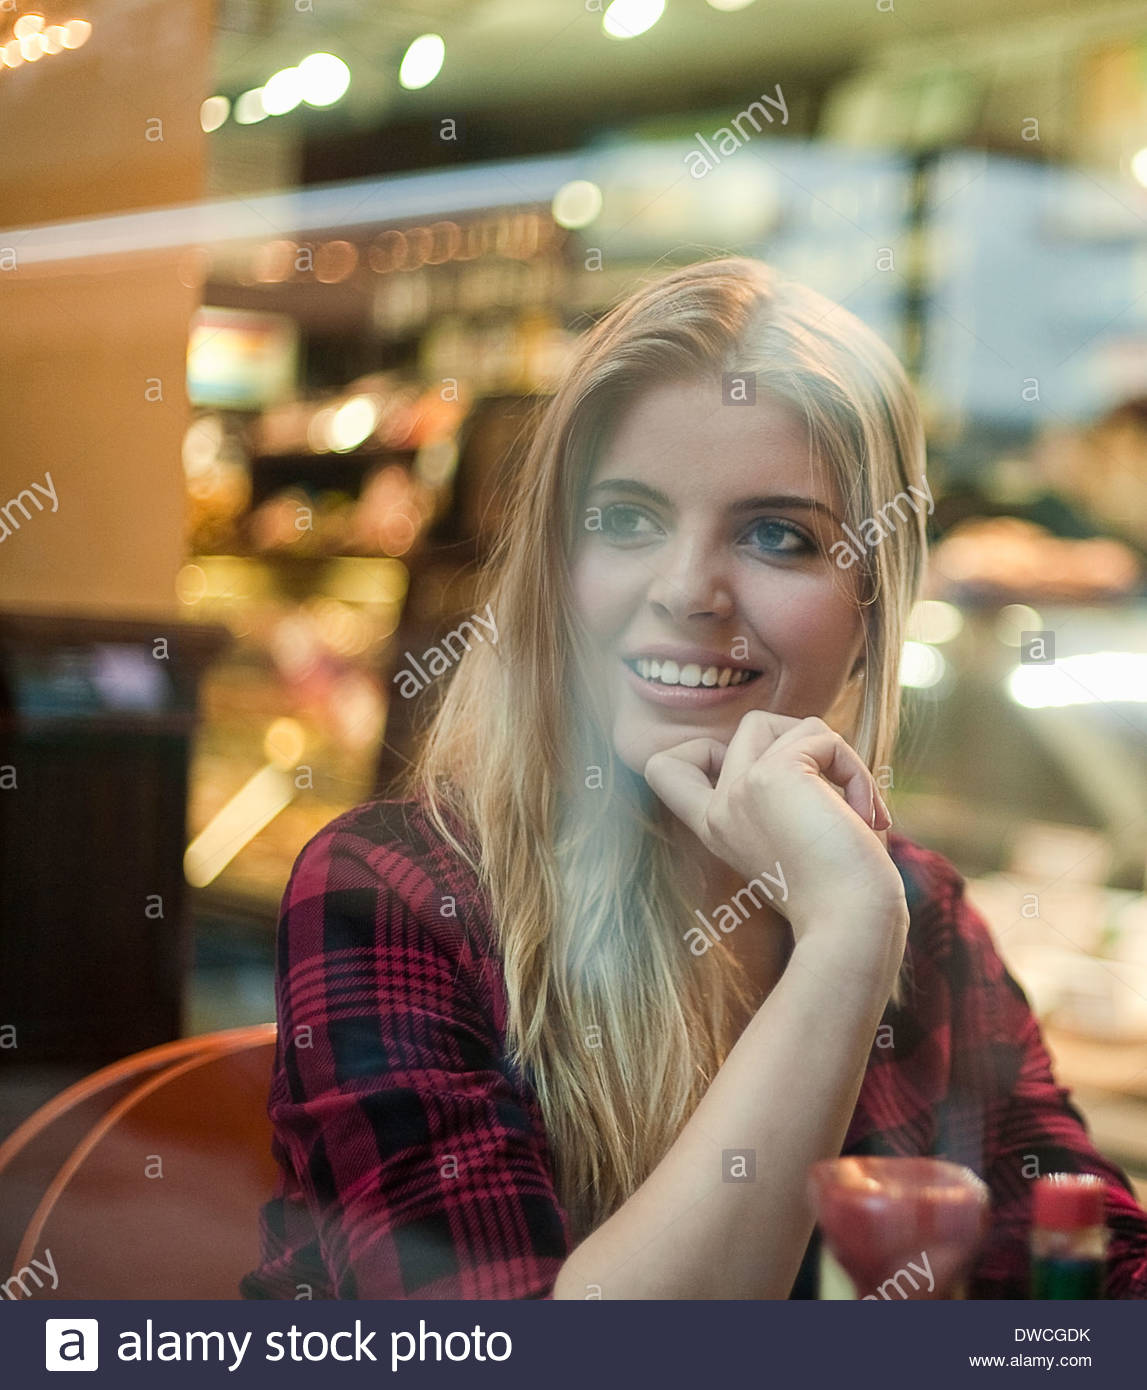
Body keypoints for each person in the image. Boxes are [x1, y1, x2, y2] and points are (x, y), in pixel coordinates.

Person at [240, 258, 1147, 1300]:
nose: (687, 591)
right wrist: (842, 950)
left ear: (869, 611)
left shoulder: (922, 909)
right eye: (625, 519)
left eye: (776, 534)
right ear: (552, 572)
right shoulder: (392, 894)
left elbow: (1080, 1255)